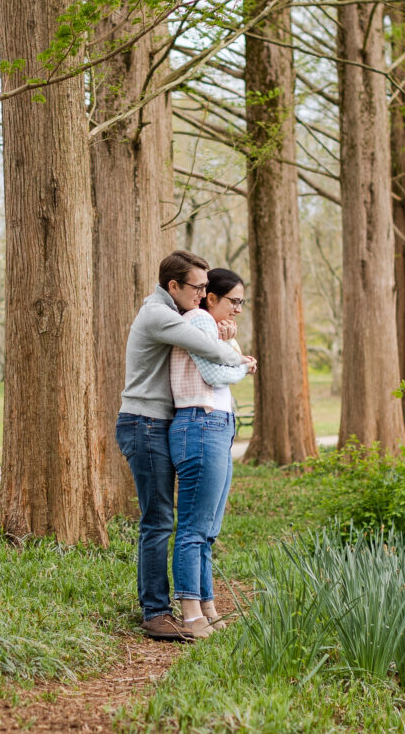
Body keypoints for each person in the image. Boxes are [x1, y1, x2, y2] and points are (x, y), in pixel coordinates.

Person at [117, 250, 250, 641]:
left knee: (166, 520)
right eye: (198, 287)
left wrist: (222, 331)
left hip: (161, 422)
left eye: (208, 287)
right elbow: (206, 349)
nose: (203, 294)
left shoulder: (174, 312)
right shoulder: (160, 316)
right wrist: (239, 359)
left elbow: (207, 333)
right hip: (144, 422)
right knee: (157, 521)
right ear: (173, 286)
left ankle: (167, 605)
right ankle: (156, 612)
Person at [166, 268, 251, 638]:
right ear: (211, 298)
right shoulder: (198, 318)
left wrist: (233, 352)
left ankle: (208, 604)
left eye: (242, 303)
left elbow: (221, 363)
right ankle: (190, 614)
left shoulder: (211, 328)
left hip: (216, 426)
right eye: (234, 301)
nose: (238, 310)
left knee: (208, 530)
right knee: (194, 527)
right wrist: (244, 366)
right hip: (201, 424)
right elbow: (216, 377)